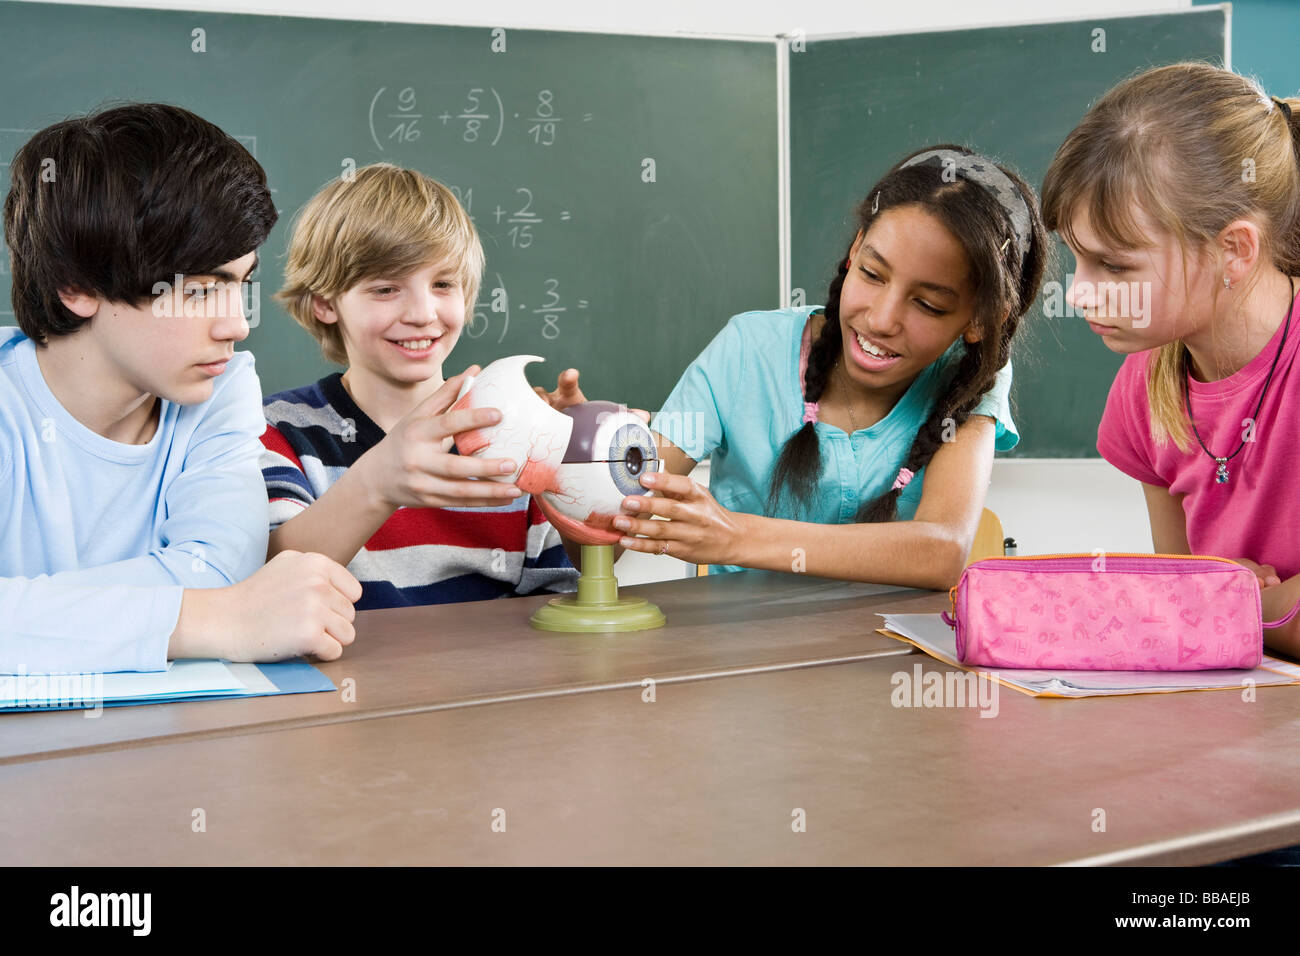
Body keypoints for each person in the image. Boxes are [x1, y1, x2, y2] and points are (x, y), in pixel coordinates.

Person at [0, 103, 361, 673]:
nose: (237, 327)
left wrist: (32, 613)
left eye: (239, 284)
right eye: (198, 291)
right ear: (76, 285)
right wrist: (216, 620)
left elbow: (224, 572)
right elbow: (228, 601)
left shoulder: (221, 391)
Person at [620, 144, 1047, 590]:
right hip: (746, 649)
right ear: (855, 250)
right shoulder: (748, 350)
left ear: (981, 320)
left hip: (887, 654)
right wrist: (582, 458)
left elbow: (941, 552)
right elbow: (612, 525)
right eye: (872, 274)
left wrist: (734, 537)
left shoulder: (972, 376)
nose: (881, 320)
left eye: (927, 304)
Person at [1041, 61, 1300, 657]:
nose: (1078, 293)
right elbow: (1183, 605)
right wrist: (1239, 601)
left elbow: (1203, 604)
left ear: (1233, 250)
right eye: (1077, 260)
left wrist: (1238, 601)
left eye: (1114, 265)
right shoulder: (1146, 385)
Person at [261, 163, 581, 609]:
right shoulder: (278, 432)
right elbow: (271, 585)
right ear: (324, 303)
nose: (422, 313)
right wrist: (379, 485)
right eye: (386, 289)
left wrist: (585, 475)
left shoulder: (512, 433)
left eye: (443, 284)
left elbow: (561, 592)